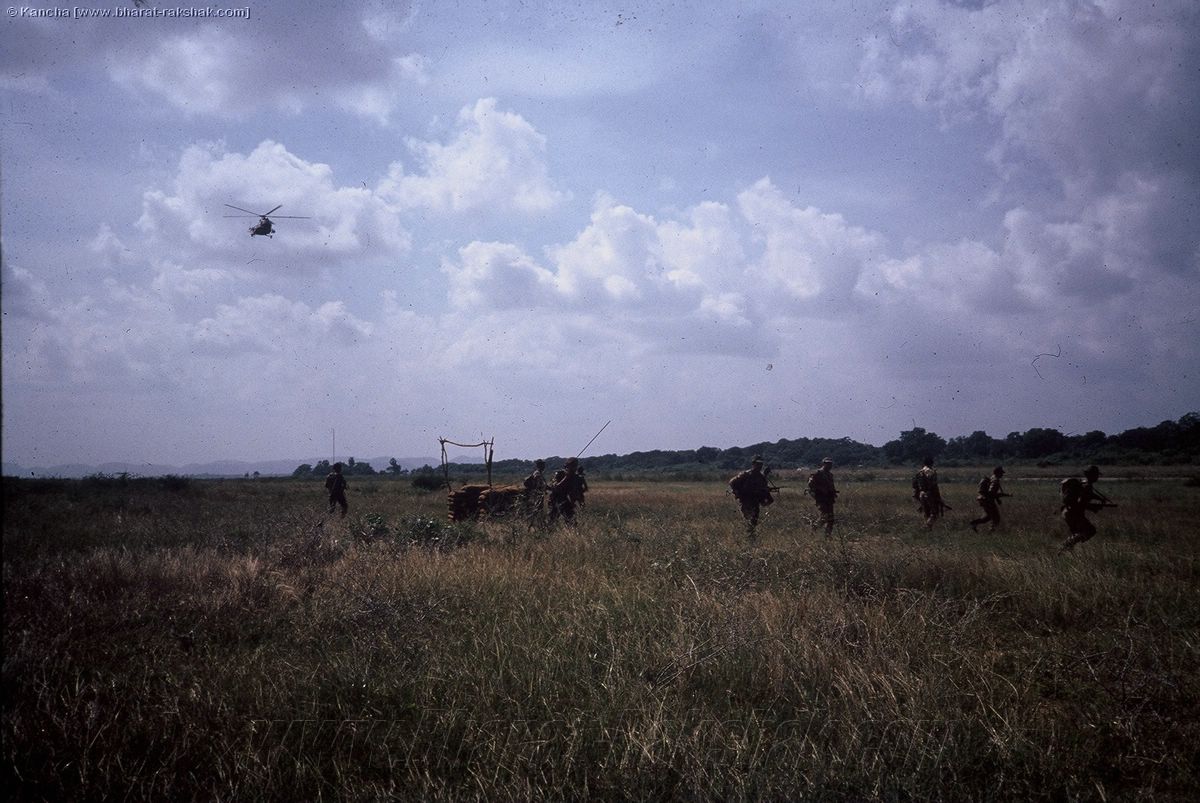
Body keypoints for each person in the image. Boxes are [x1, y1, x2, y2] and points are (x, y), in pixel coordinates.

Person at [1060, 465, 1113, 551]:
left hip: (1068, 512)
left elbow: (1087, 497)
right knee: (1090, 531)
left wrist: (1099, 500)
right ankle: (1066, 546)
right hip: (1074, 514)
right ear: (1092, 475)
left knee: (1078, 533)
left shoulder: (1084, 484)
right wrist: (1093, 507)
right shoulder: (1087, 486)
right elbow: (1081, 503)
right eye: (1096, 475)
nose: (1097, 477)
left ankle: (1066, 549)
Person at [728, 455, 773, 537]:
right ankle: (746, 537)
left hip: (755, 502)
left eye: (761, 464)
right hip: (746, 501)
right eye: (758, 463)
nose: (760, 466)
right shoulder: (746, 474)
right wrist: (737, 493)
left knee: (754, 522)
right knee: (748, 520)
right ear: (753, 464)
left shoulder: (761, 477)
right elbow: (732, 482)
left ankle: (751, 538)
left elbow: (763, 487)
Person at [970, 466, 1010, 532]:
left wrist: (997, 499)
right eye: (1001, 473)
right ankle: (991, 532)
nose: (1002, 475)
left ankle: (974, 523)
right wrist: (1004, 495)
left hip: (984, 500)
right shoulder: (995, 480)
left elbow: (992, 493)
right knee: (996, 518)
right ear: (997, 473)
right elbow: (991, 493)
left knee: (988, 517)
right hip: (988, 501)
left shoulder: (992, 478)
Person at [549, 457, 586, 525]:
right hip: (555, 499)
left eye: (576, 466)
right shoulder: (560, 474)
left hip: (565, 499)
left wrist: (574, 502)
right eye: (573, 466)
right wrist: (566, 478)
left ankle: (570, 533)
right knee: (553, 519)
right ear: (568, 466)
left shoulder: (575, 477)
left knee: (571, 519)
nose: (575, 468)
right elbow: (555, 487)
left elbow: (573, 491)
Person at [807, 457, 838, 537]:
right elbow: (810, 484)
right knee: (824, 516)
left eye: (830, 464)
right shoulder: (818, 473)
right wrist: (820, 489)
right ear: (823, 463)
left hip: (829, 498)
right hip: (821, 498)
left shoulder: (830, 475)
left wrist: (833, 492)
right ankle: (814, 528)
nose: (829, 465)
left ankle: (827, 536)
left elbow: (831, 485)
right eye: (827, 463)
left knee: (831, 519)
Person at [912, 456, 944, 529]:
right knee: (935, 513)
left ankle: (929, 530)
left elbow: (914, 485)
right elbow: (934, 486)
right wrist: (939, 498)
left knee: (927, 513)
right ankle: (925, 527)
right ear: (932, 463)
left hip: (921, 494)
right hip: (930, 494)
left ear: (924, 463)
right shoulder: (932, 472)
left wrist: (916, 496)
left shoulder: (919, 472)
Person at [523, 459, 548, 526]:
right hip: (536, 495)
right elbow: (538, 484)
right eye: (542, 465)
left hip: (538, 495)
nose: (544, 466)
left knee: (538, 510)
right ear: (539, 465)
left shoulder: (540, 473)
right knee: (535, 510)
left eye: (543, 465)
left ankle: (538, 524)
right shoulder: (537, 473)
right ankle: (532, 524)